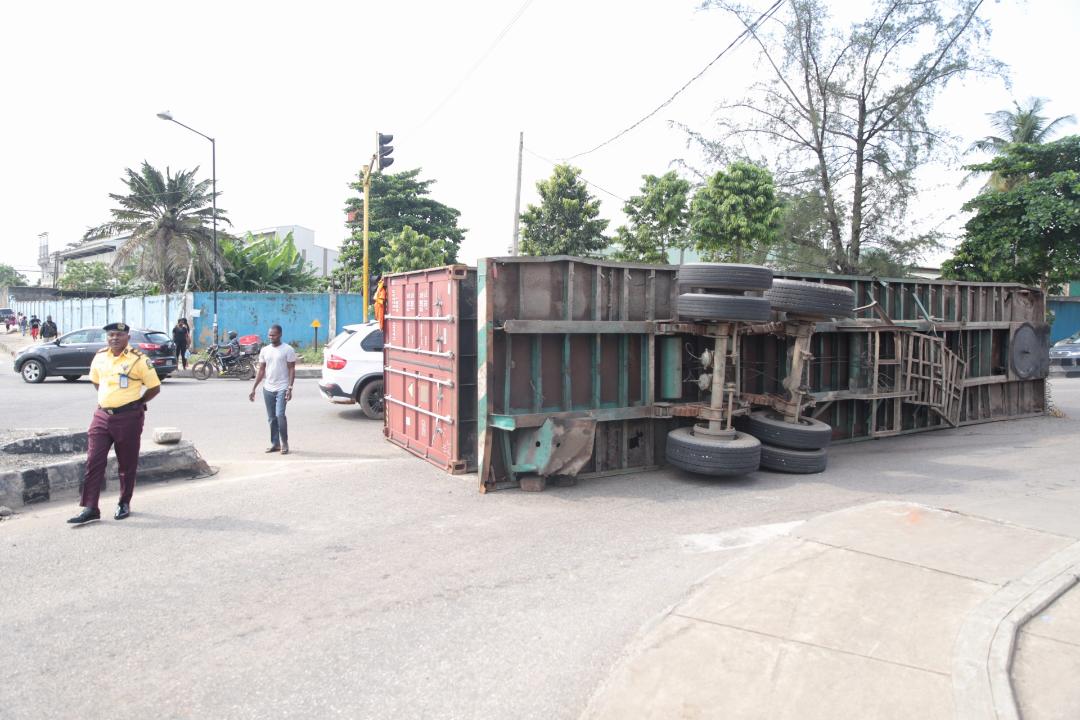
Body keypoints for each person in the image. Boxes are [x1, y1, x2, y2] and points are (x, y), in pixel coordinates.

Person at [67, 322, 162, 525]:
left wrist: (138, 402)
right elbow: (96, 381)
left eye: (119, 335)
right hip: (101, 416)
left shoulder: (139, 360)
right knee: (94, 461)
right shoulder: (100, 357)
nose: (114, 338)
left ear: (127, 337)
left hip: (128, 418)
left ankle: (124, 502)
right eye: (111, 335)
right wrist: (108, 401)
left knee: (127, 464)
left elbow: (154, 387)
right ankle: (91, 507)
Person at [249, 324, 297, 455]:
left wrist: (290, 388)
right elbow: (261, 370)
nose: (271, 337)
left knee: (280, 415)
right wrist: (254, 388)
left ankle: (284, 443)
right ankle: (275, 444)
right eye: (269, 335)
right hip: (268, 388)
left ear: (280, 334)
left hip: (282, 387)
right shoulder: (265, 350)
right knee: (271, 418)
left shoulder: (288, 349)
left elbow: (292, 369)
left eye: (273, 335)